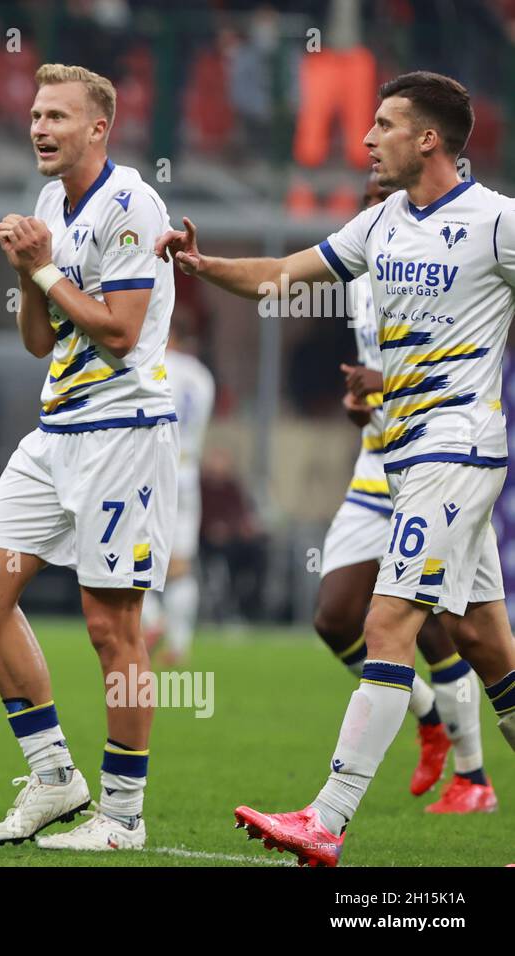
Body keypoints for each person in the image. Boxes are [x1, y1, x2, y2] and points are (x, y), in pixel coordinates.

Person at [157, 71, 515, 865]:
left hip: (455, 451)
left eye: (383, 124)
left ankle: (327, 817)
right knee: (489, 644)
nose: (366, 139)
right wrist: (203, 264)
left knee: (387, 623)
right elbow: (286, 275)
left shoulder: (496, 223)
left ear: (428, 138)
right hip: (401, 453)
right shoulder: (382, 221)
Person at [0, 64, 178, 853]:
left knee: (111, 627)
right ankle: (54, 777)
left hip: (123, 431)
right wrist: (28, 275)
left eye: (57, 116)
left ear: (98, 129)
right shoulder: (53, 203)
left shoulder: (133, 205)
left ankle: (121, 815)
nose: (39, 128)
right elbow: (40, 342)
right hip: (57, 430)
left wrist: (43, 265)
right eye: (35, 114)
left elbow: (118, 332)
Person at [319, 174, 491, 813]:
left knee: (444, 625)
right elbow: (379, 382)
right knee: (334, 616)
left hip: (439, 462)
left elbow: (447, 365)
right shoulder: (362, 292)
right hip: (376, 467)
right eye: (362, 204)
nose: (371, 215)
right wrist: (360, 402)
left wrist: (383, 382)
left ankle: (473, 776)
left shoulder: (447, 267)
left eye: (379, 202)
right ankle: (424, 712)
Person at [141, 325, 214, 667]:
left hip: (153, 467)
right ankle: (180, 644)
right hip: (188, 471)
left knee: (133, 552)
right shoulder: (203, 379)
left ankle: (152, 619)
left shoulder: (154, 363)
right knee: (181, 564)